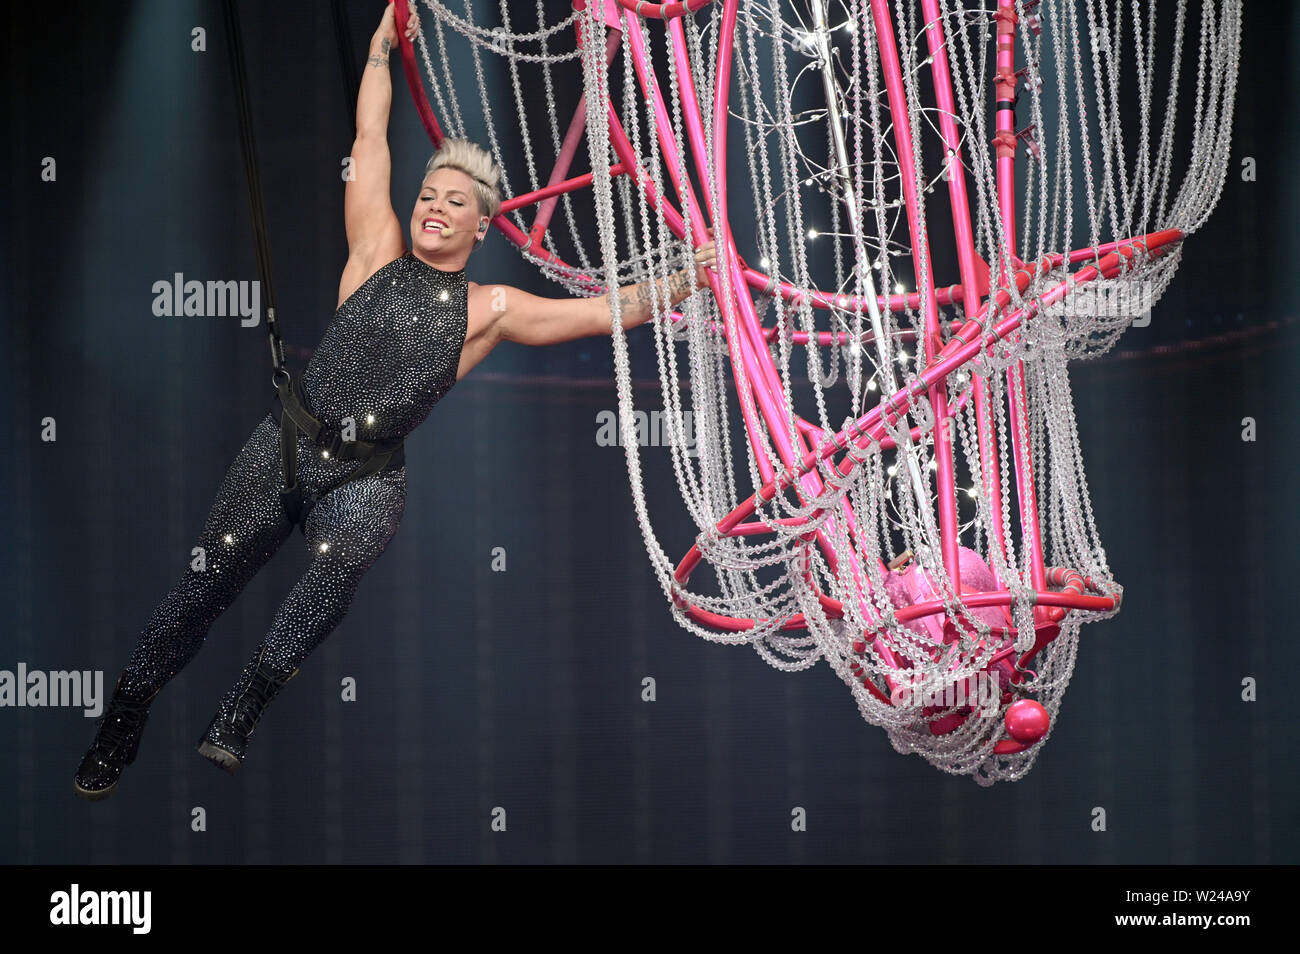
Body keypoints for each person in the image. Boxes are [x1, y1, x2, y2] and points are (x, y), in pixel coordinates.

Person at [73, 1, 717, 800]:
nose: (435, 205)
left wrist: (690, 277)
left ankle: (242, 707)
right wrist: (382, 46)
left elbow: (599, 311)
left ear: (481, 228)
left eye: (454, 202)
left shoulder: (487, 309)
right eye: (430, 193)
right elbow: (370, 138)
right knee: (203, 587)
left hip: (369, 478)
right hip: (289, 443)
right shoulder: (374, 246)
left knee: (341, 560)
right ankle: (125, 716)